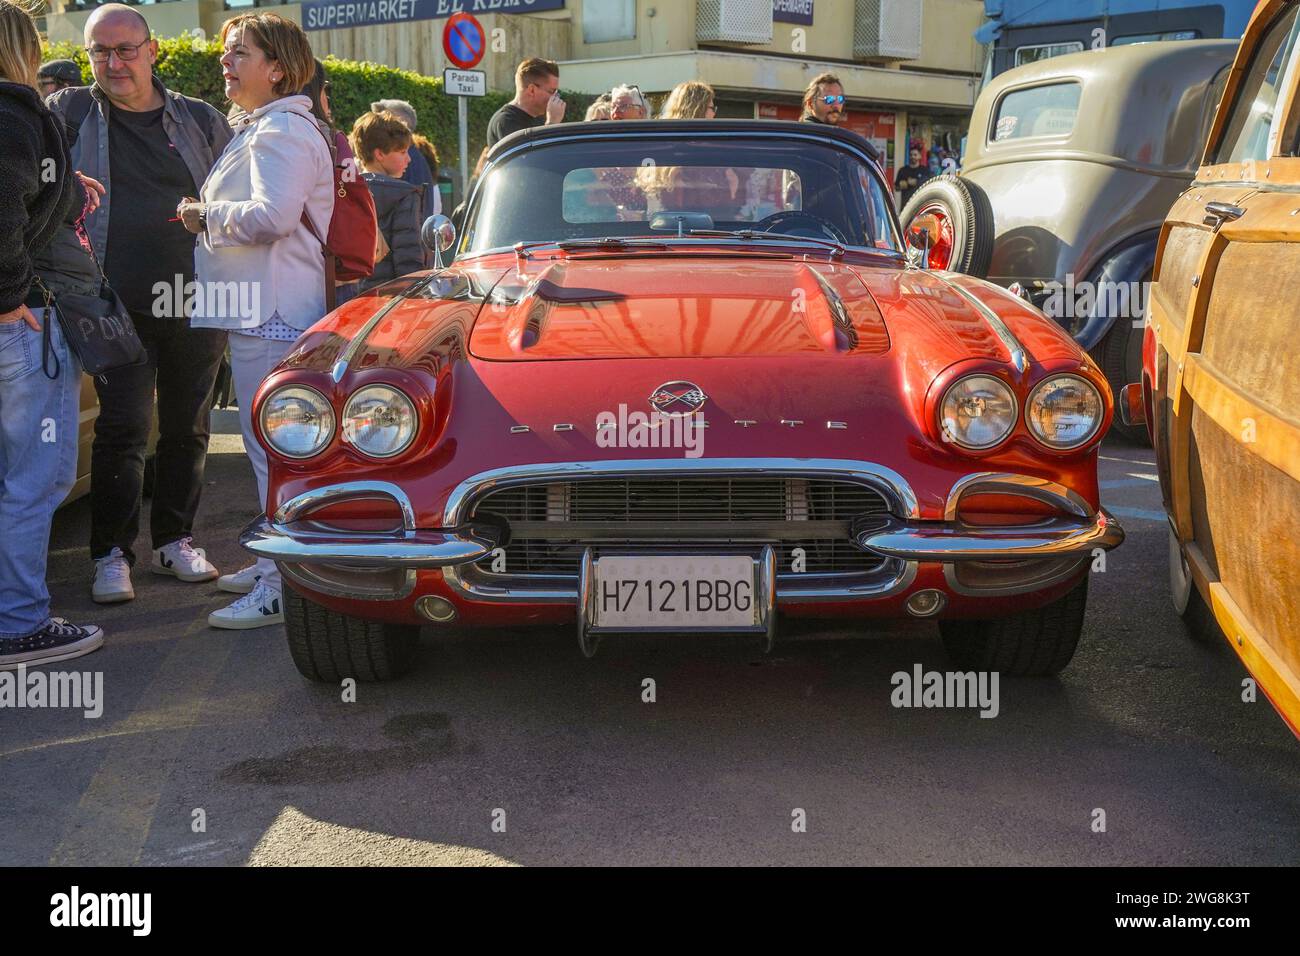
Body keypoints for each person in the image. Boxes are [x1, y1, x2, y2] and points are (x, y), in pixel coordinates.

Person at [46, 4, 233, 605]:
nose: (113, 61)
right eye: (100, 51)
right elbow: (37, 186)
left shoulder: (201, 120)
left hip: (194, 296)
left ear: (153, 51)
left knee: (188, 427)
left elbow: (236, 202)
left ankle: (175, 540)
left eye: (126, 49)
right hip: (107, 301)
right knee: (123, 428)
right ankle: (109, 555)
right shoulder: (69, 112)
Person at [177, 12, 332, 630]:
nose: (226, 62)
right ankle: (274, 564)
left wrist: (203, 215)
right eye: (225, 51)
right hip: (265, 308)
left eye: (239, 52)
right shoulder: (273, 125)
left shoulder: (281, 131)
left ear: (278, 68)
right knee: (270, 450)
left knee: (276, 454)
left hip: (273, 312)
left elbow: (272, 216)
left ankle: (281, 582)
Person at [0, 0, 105, 667]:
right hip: (22, 324)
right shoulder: (13, 111)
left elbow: (24, 193)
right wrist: (8, 299)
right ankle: (18, 625)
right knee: (36, 474)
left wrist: (63, 183)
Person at [351, 110, 425, 292]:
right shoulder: (405, 195)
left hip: (352, 296)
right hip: (389, 298)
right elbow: (408, 258)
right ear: (380, 154)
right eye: (402, 152)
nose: (408, 159)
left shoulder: (346, 191)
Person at [370, 98, 440, 222]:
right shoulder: (416, 157)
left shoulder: (406, 162)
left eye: (384, 119)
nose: (377, 125)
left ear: (401, 124)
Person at [485, 57, 564, 148]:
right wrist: (552, 124)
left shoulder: (540, 119)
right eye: (551, 91)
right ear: (532, 90)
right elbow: (531, 159)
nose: (556, 97)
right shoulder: (506, 121)